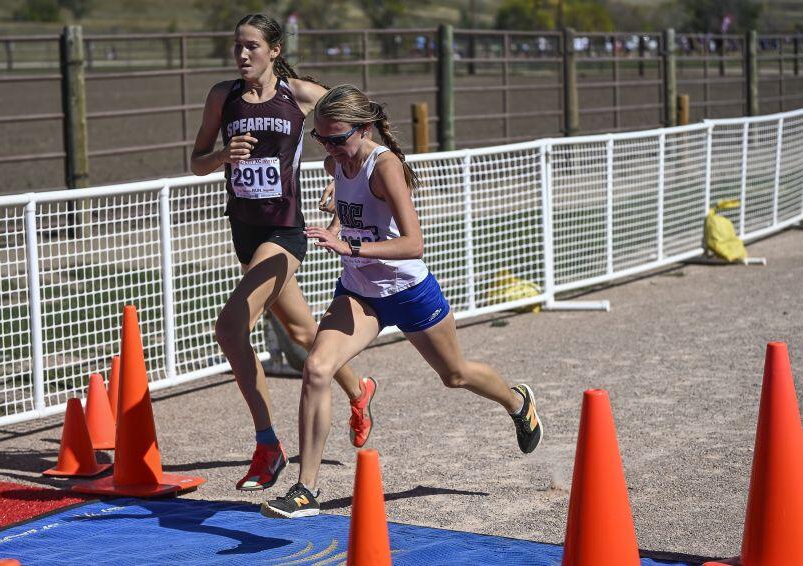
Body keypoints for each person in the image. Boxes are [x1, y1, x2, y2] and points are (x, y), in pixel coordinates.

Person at [261, 85, 544, 518]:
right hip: (360, 293)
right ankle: (306, 490)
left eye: (338, 139)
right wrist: (339, 209)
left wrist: (349, 248)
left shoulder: (385, 166)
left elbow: (414, 244)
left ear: (365, 129)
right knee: (317, 368)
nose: (331, 148)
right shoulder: (335, 162)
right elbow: (358, 210)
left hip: (408, 291)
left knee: (455, 374)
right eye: (322, 139)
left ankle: (517, 402)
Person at [190, 15, 377, 492]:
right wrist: (221, 158)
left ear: (274, 50)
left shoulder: (301, 94)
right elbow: (195, 163)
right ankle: (359, 390)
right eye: (237, 47)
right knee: (301, 329)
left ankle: (268, 446)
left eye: (252, 46)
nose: (242, 55)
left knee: (230, 328)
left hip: (285, 231)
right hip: (245, 230)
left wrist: (343, 178)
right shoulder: (222, 96)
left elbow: (355, 121)